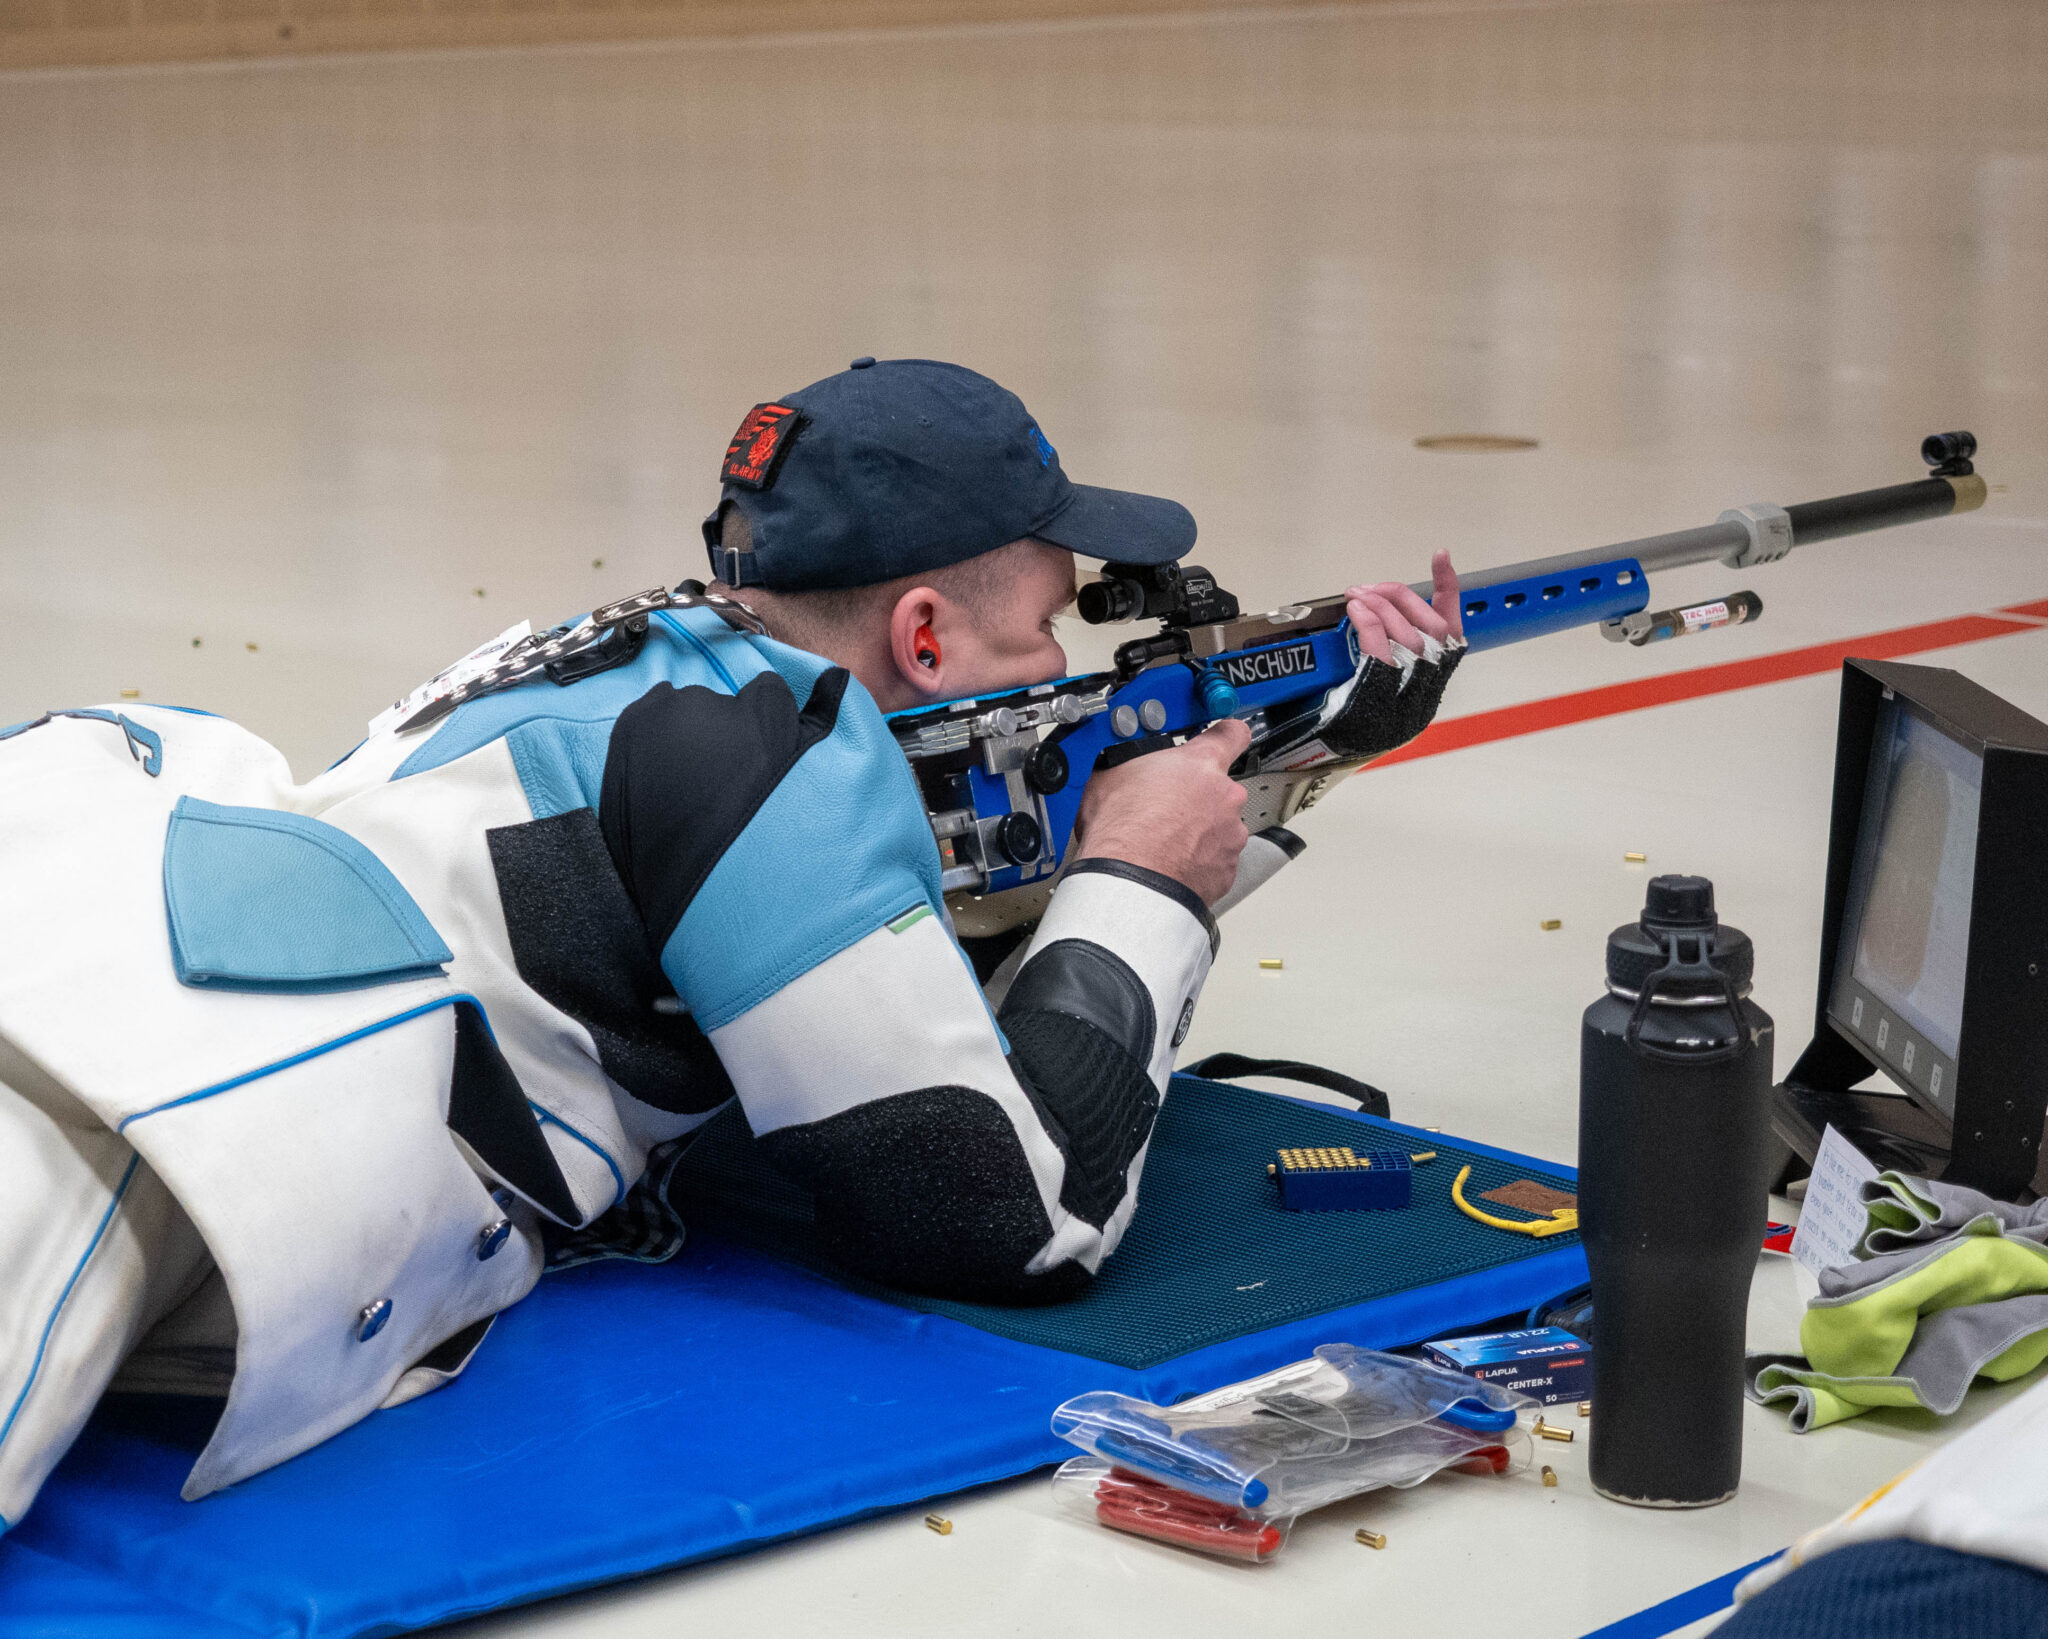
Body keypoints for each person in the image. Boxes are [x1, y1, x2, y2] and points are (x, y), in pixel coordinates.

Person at [0, 356, 1462, 1534]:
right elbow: (1009, 1218)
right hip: (150, 1097)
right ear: (928, 636)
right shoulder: (785, 748)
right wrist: (1146, 878)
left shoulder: (620, 665)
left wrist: (1279, 762)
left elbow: (903, 998)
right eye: (1048, 626)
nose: (1064, 672)